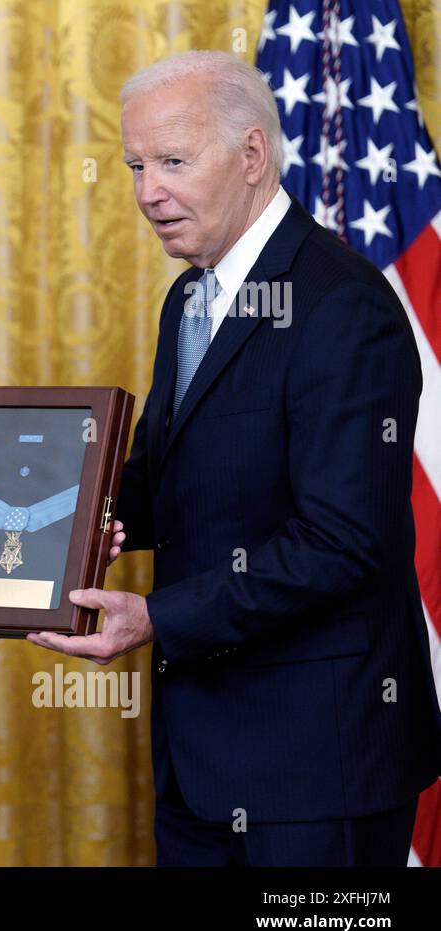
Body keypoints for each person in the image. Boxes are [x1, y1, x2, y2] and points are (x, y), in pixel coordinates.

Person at [27, 51, 441, 865]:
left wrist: (156, 618)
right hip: (200, 761)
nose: (148, 192)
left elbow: (342, 541)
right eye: (135, 166)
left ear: (252, 155)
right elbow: (161, 483)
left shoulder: (342, 304)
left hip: (318, 768)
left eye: (173, 162)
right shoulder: (190, 294)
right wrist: (8, 495)